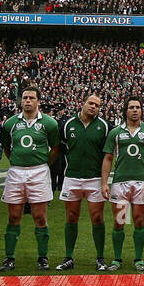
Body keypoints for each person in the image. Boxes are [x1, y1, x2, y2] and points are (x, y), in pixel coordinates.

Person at [0, 85, 60, 271]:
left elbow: (56, 148)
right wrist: (17, 162)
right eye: (24, 98)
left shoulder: (50, 123)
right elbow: (7, 148)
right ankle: (9, 258)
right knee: (14, 216)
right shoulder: (10, 123)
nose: (27, 101)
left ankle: (42, 257)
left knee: (40, 216)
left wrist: (42, 163)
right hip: (16, 171)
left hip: (39, 171)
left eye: (31, 98)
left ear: (38, 101)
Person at [101, 96, 144, 272]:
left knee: (139, 221)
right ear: (125, 110)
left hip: (142, 183)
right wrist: (104, 183)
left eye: (138, 107)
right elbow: (108, 158)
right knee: (119, 222)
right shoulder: (115, 133)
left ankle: (138, 259)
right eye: (132, 107)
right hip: (120, 184)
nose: (135, 110)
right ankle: (117, 259)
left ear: (142, 111)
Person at [57, 93, 111, 272]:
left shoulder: (104, 127)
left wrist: (104, 181)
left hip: (95, 178)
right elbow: (62, 149)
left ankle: (100, 258)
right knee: (71, 217)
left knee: (97, 217)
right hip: (72, 176)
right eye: (91, 103)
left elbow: (107, 155)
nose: (93, 107)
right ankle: (68, 257)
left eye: (97, 105)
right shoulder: (67, 125)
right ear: (83, 103)